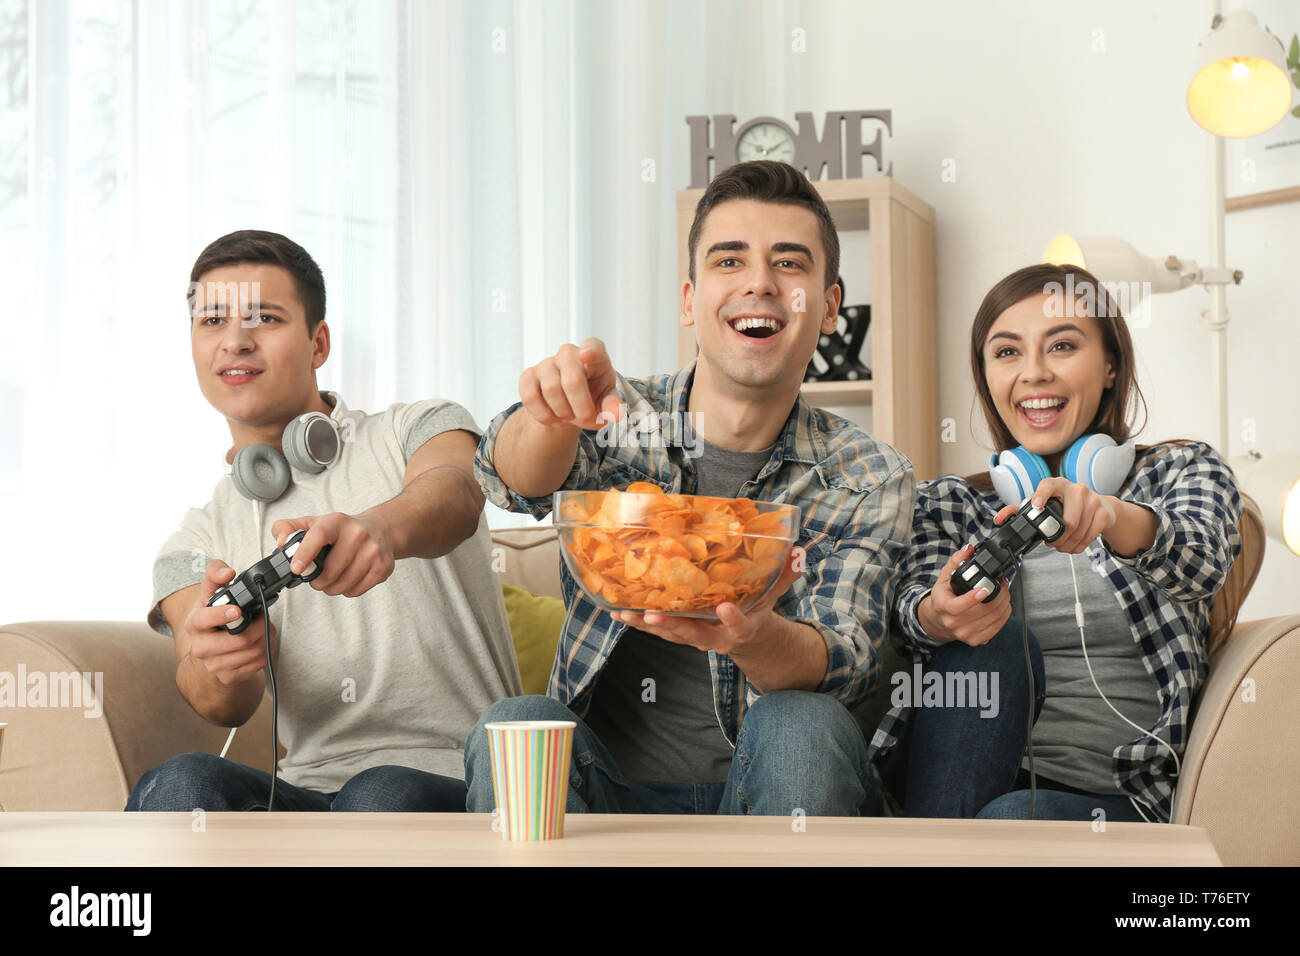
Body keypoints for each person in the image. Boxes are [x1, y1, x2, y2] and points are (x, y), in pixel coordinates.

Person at [467, 160, 915, 817]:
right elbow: (506, 479)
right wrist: (551, 419)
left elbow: (846, 661)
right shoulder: (618, 412)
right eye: (729, 261)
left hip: (771, 786)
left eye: (789, 264)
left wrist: (750, 635)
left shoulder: (869, 475)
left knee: (803, 725)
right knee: (516, 720)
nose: (759, 282)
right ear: (688, 299)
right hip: (607, 793)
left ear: (828, 308)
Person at [126, 230, 521, 812]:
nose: (235, 341)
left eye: (264, 318)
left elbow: (458, 491)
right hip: (308, 795)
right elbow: (209, 692)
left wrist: (383, 530)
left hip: (458, 780)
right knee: (181, 782)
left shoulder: (418, 426)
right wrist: (224, 665)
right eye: (212, 322)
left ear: (318, 343)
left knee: (380, 792)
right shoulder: (194, 541)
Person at [873, 263, 1242, 823]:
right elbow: (908, 610)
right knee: (992, 645)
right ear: (987, 378)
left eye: (1062, 346)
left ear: (1111, 365)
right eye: (1007, 353)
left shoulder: (1181, 471)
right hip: (963, 780)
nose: (1034, 373)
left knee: (1013, 819)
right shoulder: (950, 503)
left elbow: (1203, 563)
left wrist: (1113, 517)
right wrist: (939, 613)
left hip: (1121, 799)